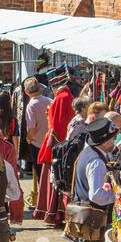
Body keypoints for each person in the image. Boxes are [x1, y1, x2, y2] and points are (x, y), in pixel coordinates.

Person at [72, 116, 118, 242]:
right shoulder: (96, 162)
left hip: (84, 216)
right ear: (105, 140)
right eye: (113, 136)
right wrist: (117, 196)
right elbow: (97, 195)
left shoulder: (87, 154)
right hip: (93, 218)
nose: (115, 139)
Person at [34, 73, 75, 225]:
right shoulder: (65, 97)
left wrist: (52, 145)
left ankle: (54, 213)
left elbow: (57, 125)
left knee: (55, 178)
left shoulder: (61, 98)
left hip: (57, 143)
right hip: (59, 141)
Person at [23, 77, 49, 202]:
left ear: (26, 92)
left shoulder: (31, 106)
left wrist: (28, 138)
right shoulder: (50, 101)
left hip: (38, 144)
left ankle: (43, 201)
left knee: (41, 175)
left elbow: (32, 129)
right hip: (51, 142)